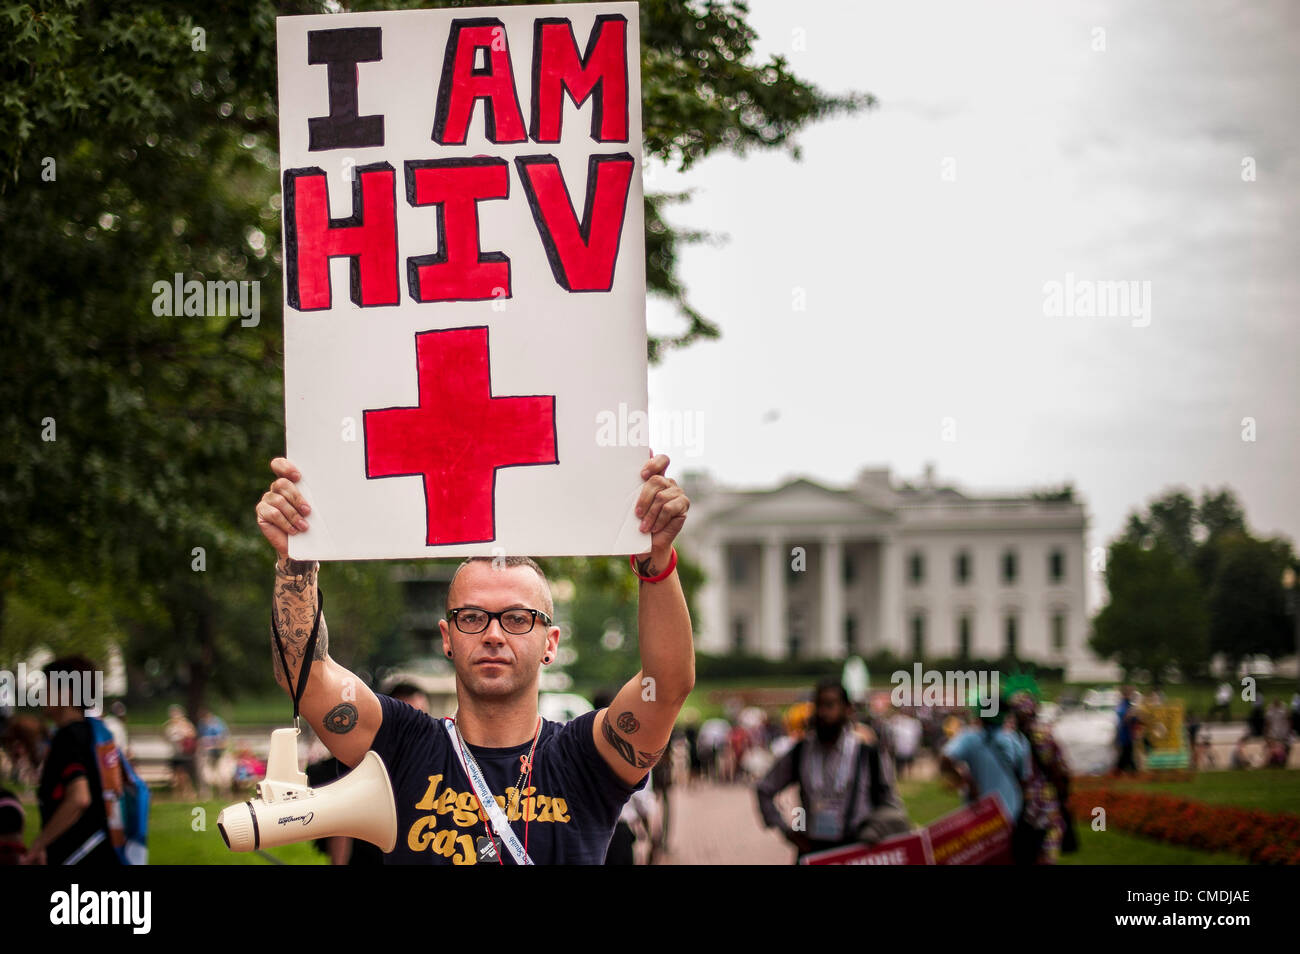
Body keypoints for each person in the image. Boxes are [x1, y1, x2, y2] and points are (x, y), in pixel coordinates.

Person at [255, 453, 694, 865]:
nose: (493, 634)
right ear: (447, 637)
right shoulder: (400, 745)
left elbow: (667, 685)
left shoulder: (586, 756)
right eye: (472, 617)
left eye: (519, 618)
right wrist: (296, 567)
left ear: (551, 643)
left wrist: (655, 562)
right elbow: (305, 677)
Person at [755, 679, 911, 863]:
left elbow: (891, 804)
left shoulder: (867, 754)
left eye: (830, 705)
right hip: (812, 850)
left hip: (856, 849)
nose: (823, 713)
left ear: (847, 710)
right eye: (819, 705)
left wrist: (875, 830)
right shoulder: (801, 751)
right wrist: (786, 831)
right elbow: (765, 788)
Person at [307, 683, 430, 866]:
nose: (417, 727)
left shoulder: (430, 764)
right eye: (410, 720)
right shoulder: (358, 764)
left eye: (422, 717)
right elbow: (343, 829)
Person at [24, 657, 120, 866]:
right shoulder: (93, 734)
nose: (41, 695)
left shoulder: (67, 738)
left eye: (47, 687)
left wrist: (39, 844)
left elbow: (79, 798)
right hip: (102, 850)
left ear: (66, 693)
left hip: (79, 855)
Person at [939, 697, 1031, 864]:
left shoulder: (970, 738)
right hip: (1010, 815)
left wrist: (967, 781)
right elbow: (1025, 779)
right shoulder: (1018, 740)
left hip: (979, 816)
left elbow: (945, 760)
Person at [1008, 692, 1072, 864]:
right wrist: (1063, 796)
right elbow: (1059, 770)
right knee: (1047, 853)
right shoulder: (1045, 734)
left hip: (1017, 803)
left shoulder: (1007, 737)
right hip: (1046, 802)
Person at [162, 705, 197, 796]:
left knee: (184, 775)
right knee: (175, 775)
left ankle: (189, 792)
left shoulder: (185, 725)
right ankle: (178, 793)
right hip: (174, 753)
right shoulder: (169, 727)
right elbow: (166, 737)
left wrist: (182, 731)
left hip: (183, 753)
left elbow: (192, 734)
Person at [1114, 686, 1140, 774]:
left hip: (1129, 733)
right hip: (1124, 733)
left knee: (1127, 752)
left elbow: (1135, 719)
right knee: (1126, 752)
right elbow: (1124, 718)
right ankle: (1129, 769)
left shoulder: (1129, 705)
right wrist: (1131, 715)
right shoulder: (1123, 705)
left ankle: (1125, 769)